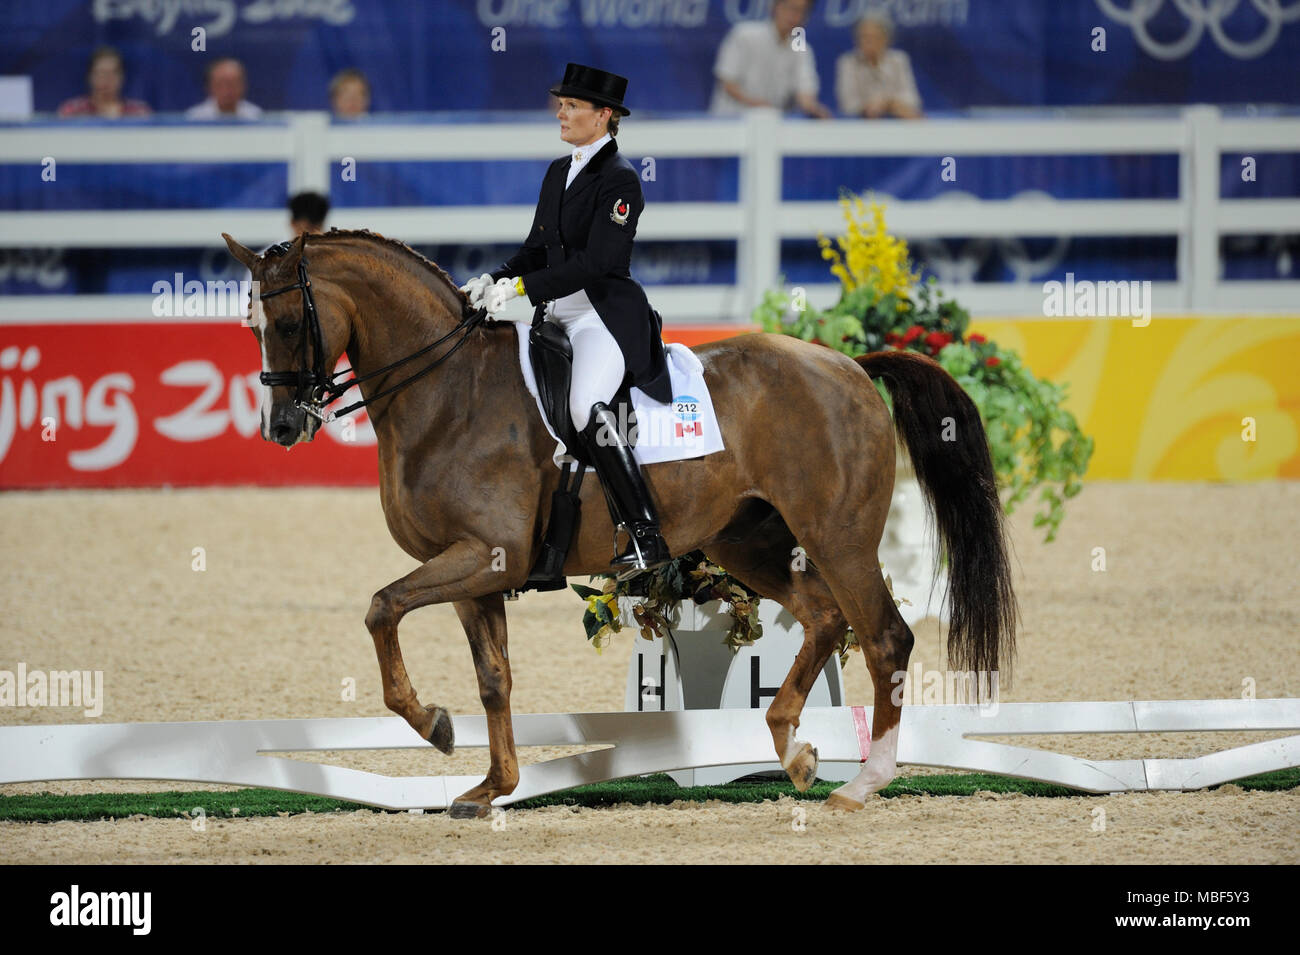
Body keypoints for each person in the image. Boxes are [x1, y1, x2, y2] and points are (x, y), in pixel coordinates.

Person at [462, 63, 673, 572]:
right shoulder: (560, 170)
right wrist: (496, 277)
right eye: (561, 103)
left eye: (573, 105)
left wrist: (522, 288)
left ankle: (645, 536)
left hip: (601, 317)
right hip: (555, 316)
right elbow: (538, 246)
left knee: (584, 407)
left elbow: (597, 264)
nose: (562, 111)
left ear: (603, 116)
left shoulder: (620, 180)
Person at [709, 0, 831, 118]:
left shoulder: (801, 48)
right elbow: (727, 82)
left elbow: (805, 89)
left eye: (802, 11)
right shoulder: (744, 35)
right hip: (730, 123)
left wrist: (813, 109)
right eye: (791, 8)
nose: (795, 16)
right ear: (775, 6)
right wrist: (759, 106)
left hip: (773, 127)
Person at [835, 13, 923, 119]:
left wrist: (888, 103)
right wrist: (870, 107)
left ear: (886, 39)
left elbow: (912, 99)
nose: (867, 42)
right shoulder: (848, 62)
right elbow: (847, 104)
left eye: (874, 37)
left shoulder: (898, 60)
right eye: (863, 37)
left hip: (898, 119)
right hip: (862, 123)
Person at [57, 47, 151, 118]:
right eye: (101, 73)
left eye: (112, 73)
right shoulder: (73, 111)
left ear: (122, 77)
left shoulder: (139, 113)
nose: (106, 79)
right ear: (90, 76)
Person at [186, 59, 262, 119]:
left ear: (243, 85)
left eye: (232, 84)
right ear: (209, 87)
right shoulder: (195, 118)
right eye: (220, 84)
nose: (227, 90)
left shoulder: (255, 116)